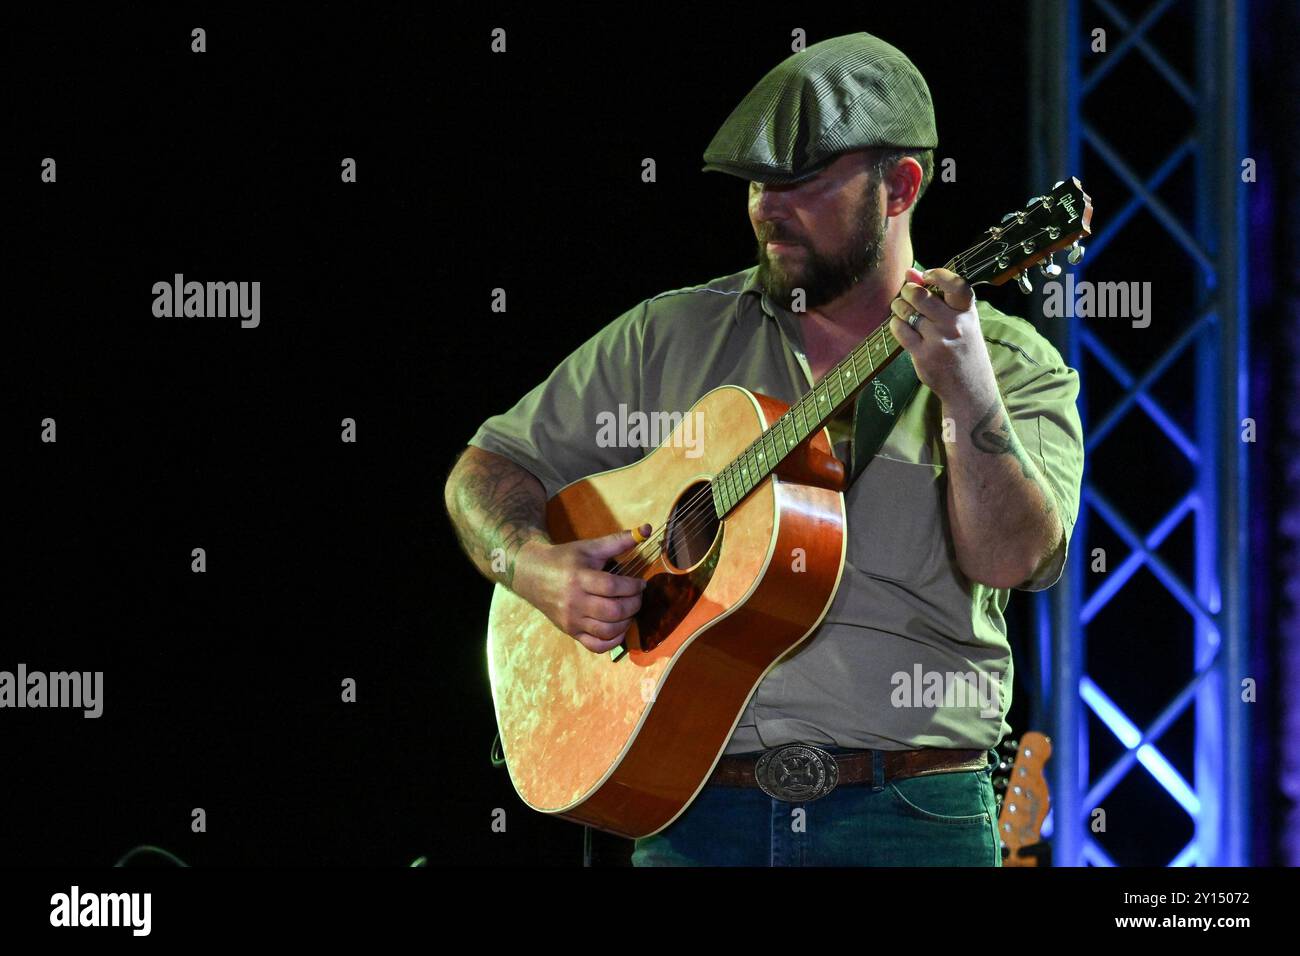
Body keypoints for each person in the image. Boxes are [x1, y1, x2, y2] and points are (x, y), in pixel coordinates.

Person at [444, 32, 1084, 866]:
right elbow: (483, 470)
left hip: (910, 814)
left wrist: (965, 392)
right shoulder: (667, 336)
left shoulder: (1007, 363)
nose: (765, 208)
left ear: (901, 186)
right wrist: (531, 566)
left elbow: (1014, 560)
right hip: (691, 811)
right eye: (755, 183)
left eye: (802, 182)